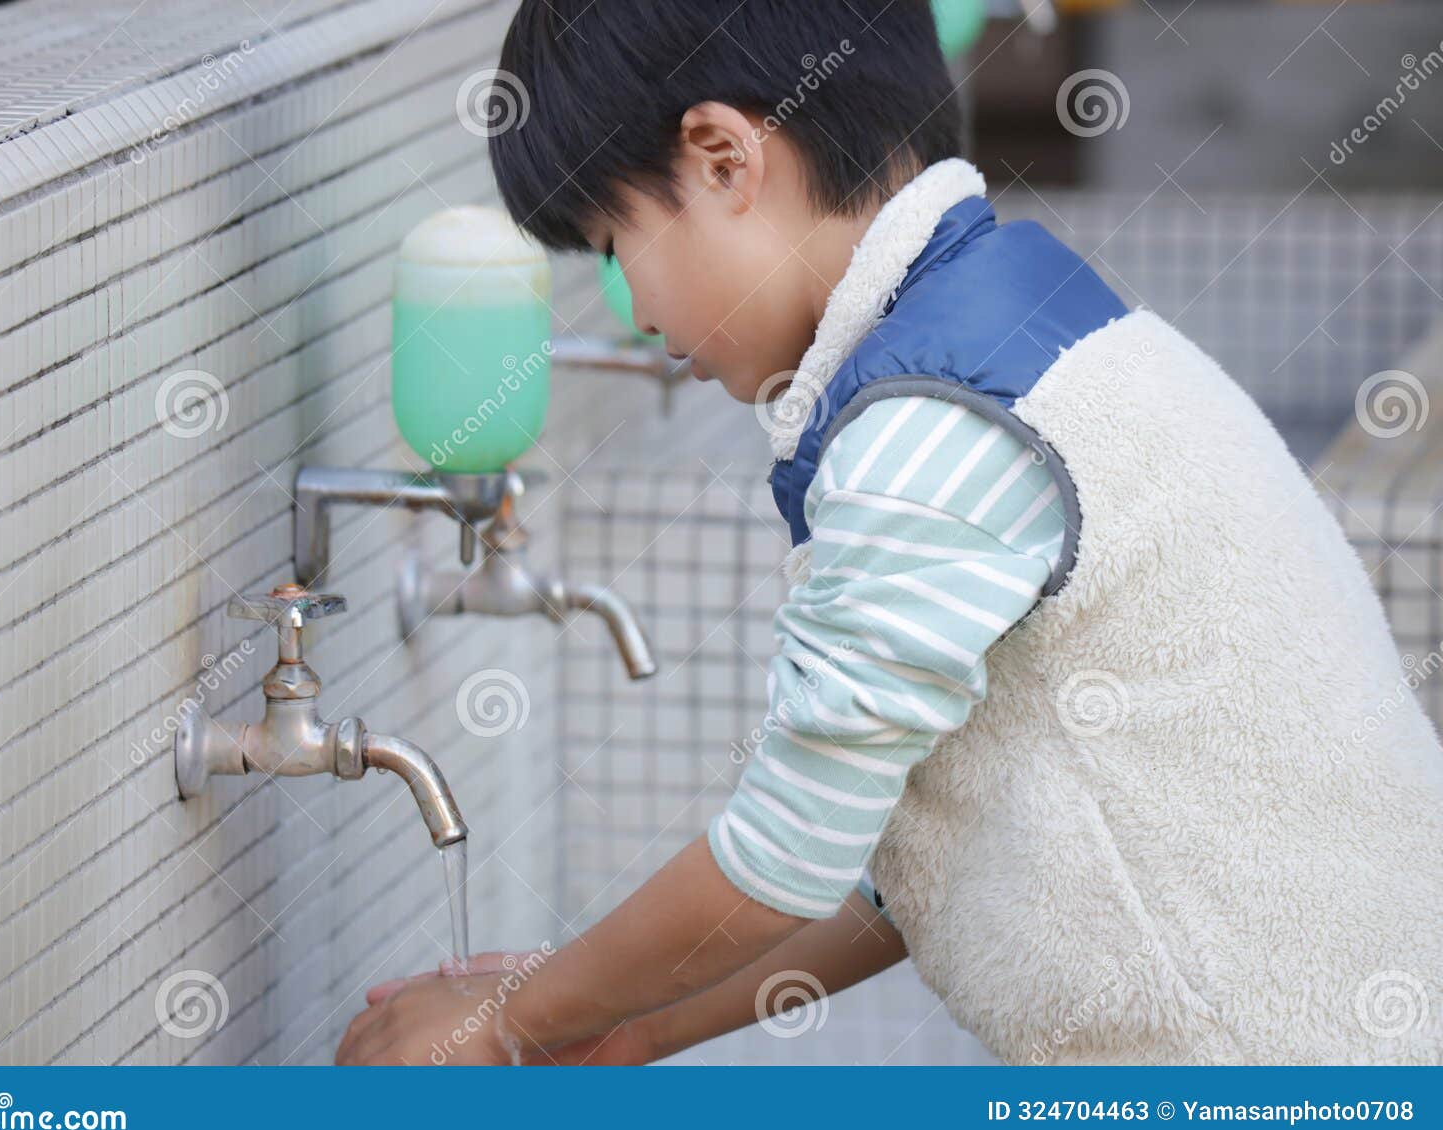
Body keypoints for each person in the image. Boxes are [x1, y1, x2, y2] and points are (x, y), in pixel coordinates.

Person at [337, 0, 1443, 1065]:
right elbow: (909, 862)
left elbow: (782, 852)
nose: (638, 313)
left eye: (617, 245)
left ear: (725, 159)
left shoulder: (928, 429)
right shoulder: (1019, 329)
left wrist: (511, 1021)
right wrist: (621, 1019)